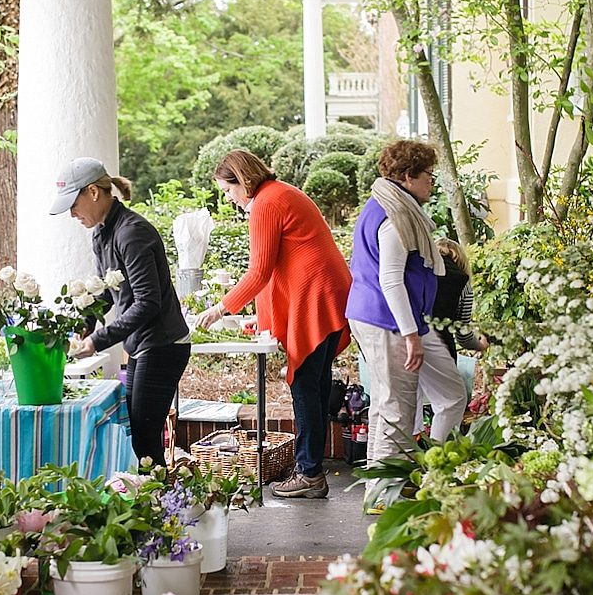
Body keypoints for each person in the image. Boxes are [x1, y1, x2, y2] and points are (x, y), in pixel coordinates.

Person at [194, 149, 352, 499]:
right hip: (327, 294)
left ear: (243, 180)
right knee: (316, 386)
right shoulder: (281, 193)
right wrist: (263, 316)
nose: (228, 198)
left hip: (315, 299)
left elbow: (259, 272)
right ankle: (311, 469)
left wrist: (219, 310)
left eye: (228, 190)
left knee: (305, 387)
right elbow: (283, 264)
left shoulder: (266, 203)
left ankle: (309, 473)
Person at [52, 157, 190, 467]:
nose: (71, 213)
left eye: (73, 204)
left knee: (145, 440)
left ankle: (161, 497)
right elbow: (106, 290)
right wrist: (84, 325)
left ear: (93, 192)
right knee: (138, 437)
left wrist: (98, 340)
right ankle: (154, 495)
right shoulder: (103, 233)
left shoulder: (132, 233)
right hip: (143, 344)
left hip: (164, 345)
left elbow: (147, 302)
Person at [345, 139, 463, 464]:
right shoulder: (394, 216)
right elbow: (391, 279)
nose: (432, 182)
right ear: (408, 176)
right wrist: (411, 336)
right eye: (428, 175)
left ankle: (432, 468)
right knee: (395, 408)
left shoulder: (394, 205)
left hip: (405, 319)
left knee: (450, 395)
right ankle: (384, 488)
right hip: (389, 321)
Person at [414, 238, 489, 441]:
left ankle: (407, 451)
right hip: (436, 343)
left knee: (409, 399)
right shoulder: (462, 282)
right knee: (451, 401)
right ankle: (439, 453)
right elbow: (463, 335)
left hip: (401, 335)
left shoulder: (418, 269)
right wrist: (480, 345)